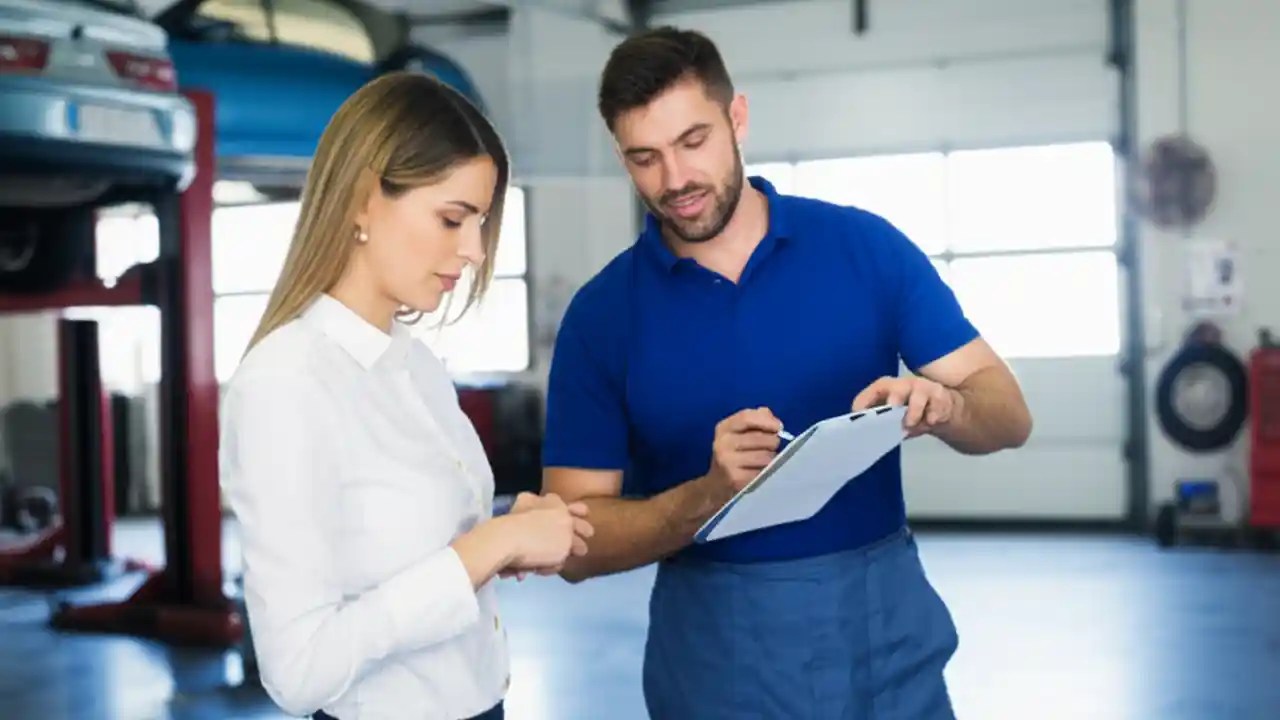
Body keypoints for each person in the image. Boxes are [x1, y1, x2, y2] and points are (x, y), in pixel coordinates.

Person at [542, 26, 1033, 719]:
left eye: (693, 141)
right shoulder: (603, 316)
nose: (675, 180)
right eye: (645, 158)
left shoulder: (863, 248)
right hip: (715, 657)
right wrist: (707, 495)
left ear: (737, 118)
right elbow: (572, 543)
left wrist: (947, 406)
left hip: (886, 633)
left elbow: (1009, 415)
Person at [219, 72, 593, 720]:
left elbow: (413, 544)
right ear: (364, 200)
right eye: (452, 218)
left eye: (481, 222)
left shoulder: (414, 364)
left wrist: (506, 532)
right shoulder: (285, 383)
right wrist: (484, 550)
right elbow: (299, 671)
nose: (474, 251)